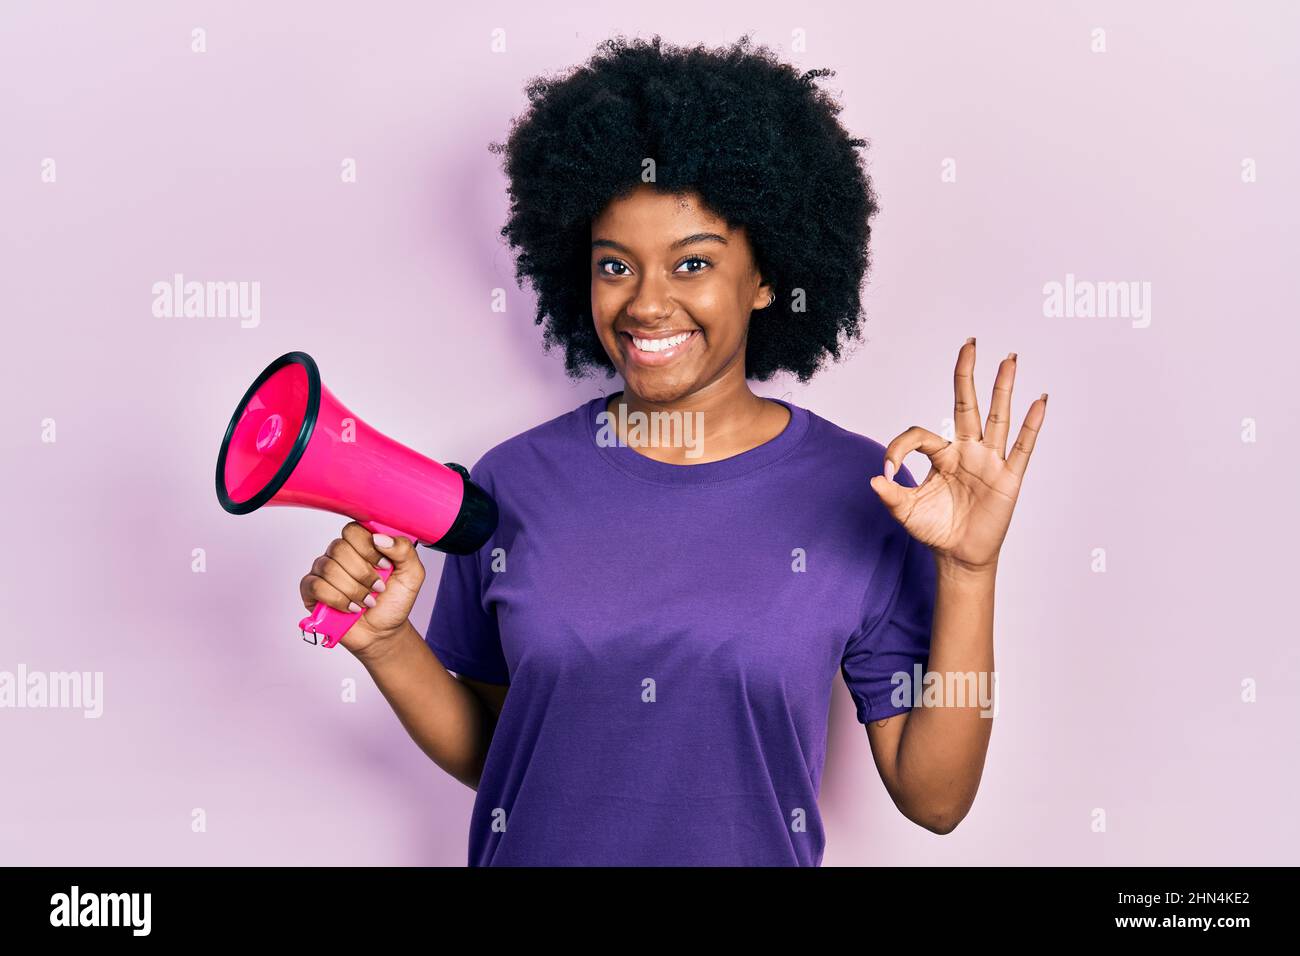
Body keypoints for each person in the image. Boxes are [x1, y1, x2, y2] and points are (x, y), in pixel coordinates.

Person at [297, 34, 1046, 866]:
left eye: (692, 263)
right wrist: (387, 642)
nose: (646, 304)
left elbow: (935, 800)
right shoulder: (508, 484)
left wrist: (970, 574)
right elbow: (507, 753)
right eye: (615, 265)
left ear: (767, 277)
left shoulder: (864, 491)